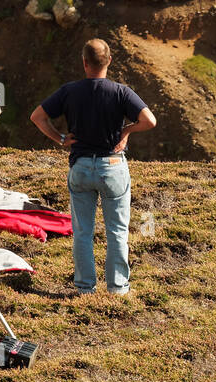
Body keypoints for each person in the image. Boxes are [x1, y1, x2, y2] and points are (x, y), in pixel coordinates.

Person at [30, 39, 156, 296]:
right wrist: (127, 130)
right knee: (117, 232)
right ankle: (117, 289)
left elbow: (37, 117)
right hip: (112, 166)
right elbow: (149, 120)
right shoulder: (121, 92)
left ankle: (85, 288)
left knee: (83, 233)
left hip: (82, 167)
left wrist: (60, 138)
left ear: (84, 63)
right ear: (109, 61)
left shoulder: (69, 91)